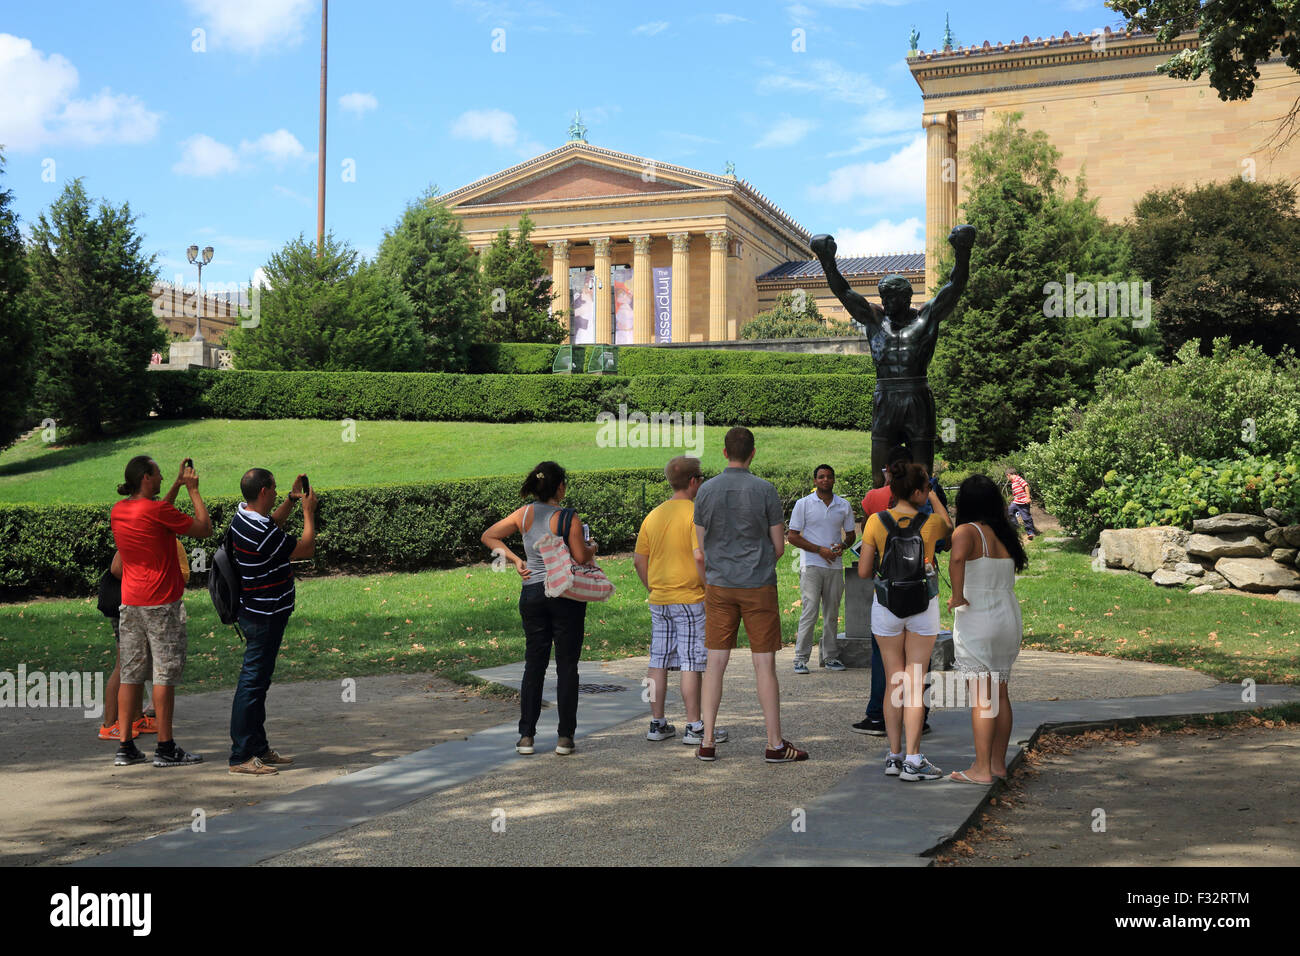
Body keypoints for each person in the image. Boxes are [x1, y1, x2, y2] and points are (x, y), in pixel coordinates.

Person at [693, 427, 808, 763]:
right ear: (753, 453)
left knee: (715, 662)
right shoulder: (765, 490)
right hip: (758, 584)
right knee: (764, 664)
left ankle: (708, 739)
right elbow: (778, 546)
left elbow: (701, 549)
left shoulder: (706, 492)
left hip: (719, 585)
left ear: (725, 452)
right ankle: (774, 743)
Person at [481, 461, 596, 756]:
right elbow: (581, 557)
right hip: (565, 594)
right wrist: (592, 546)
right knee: (567, 665)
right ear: (559, 487)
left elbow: (489, 535)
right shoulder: (568, 517)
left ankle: (526, 737)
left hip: (532, 592)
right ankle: (564, 738)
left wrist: (516, 560)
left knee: (535, 664)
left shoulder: (525, 514)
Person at [109, 456, 211, 767]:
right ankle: (165, 748)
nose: (164, 476)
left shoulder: (119, 511)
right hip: (162, 604)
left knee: (131, 674)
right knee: (164, 674)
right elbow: (204, 529)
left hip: (130, 604)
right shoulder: (158, 512)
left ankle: (125, 747)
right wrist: (193, 490)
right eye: (158, 474)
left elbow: (156, 515)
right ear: (145, 478)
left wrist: (178, 485)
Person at [857, 461, 950, 781]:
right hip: (923, 606)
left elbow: (864, 572)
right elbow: (950, 528)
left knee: (893, 679)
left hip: (886, 606)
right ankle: (914, 759)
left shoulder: (875, 522)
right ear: (919, 491)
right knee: (915, 681)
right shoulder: (932, 522)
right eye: (926, 487)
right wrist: (935, 497)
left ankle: (894, 756)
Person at [227, 468, 316, 775]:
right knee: (252, 684)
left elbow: (272, 523)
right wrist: (308, 512)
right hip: (263, 615)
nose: (278, 492)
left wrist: (292, 500)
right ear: (263, 491)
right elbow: (306, 548)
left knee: (258, 683)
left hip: (257, 611)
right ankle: (241, 756)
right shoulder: (259, 532)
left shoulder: (244, 518)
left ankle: (258, 747)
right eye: (276, 489)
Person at [633, 455, 727, 746]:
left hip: (659, 597)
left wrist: (654, 586)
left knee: (657, 660)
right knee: (691, 662)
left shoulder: (654, 515)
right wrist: (709, 586)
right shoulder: (695, 513)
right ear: (693, 481)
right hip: (690, 597)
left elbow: (639, 561)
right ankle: (694, 726)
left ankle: (657, 722)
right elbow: (700, 555)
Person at [947, 475, 1028, 784]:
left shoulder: (966, 532)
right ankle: (997, 764)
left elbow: (956, 559)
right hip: (1007, 616)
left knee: (982, 696)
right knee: (1001, 694)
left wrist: (957, 595)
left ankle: (980, 769)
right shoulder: (1005, 533)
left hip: (979, 617)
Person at [788, 464, 856, 673]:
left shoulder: (843, 505)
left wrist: (843, 546)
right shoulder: (803, 504)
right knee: (810, 610)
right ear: (815, 481)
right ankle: (800, 658)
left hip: (834, 566)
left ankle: (831, 657)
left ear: (834, 480)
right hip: (811, 565)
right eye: (821, 477)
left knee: (832, 613)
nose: (825, 480)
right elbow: (792, 536)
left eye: (829, 477)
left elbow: (852, 535)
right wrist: (820, 550)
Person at [1005, 468, 1036, 540]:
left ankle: (1030, 533)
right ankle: (1016, 527)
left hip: (1023, 502)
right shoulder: (1013, 482)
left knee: (1026, 517)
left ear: (1008, 475)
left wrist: (1028, 497)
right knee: (1009, 512)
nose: (1007, 478)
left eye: (1006, 476)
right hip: (1016, 502)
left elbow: (1026, 486)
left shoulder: (1018, 478)